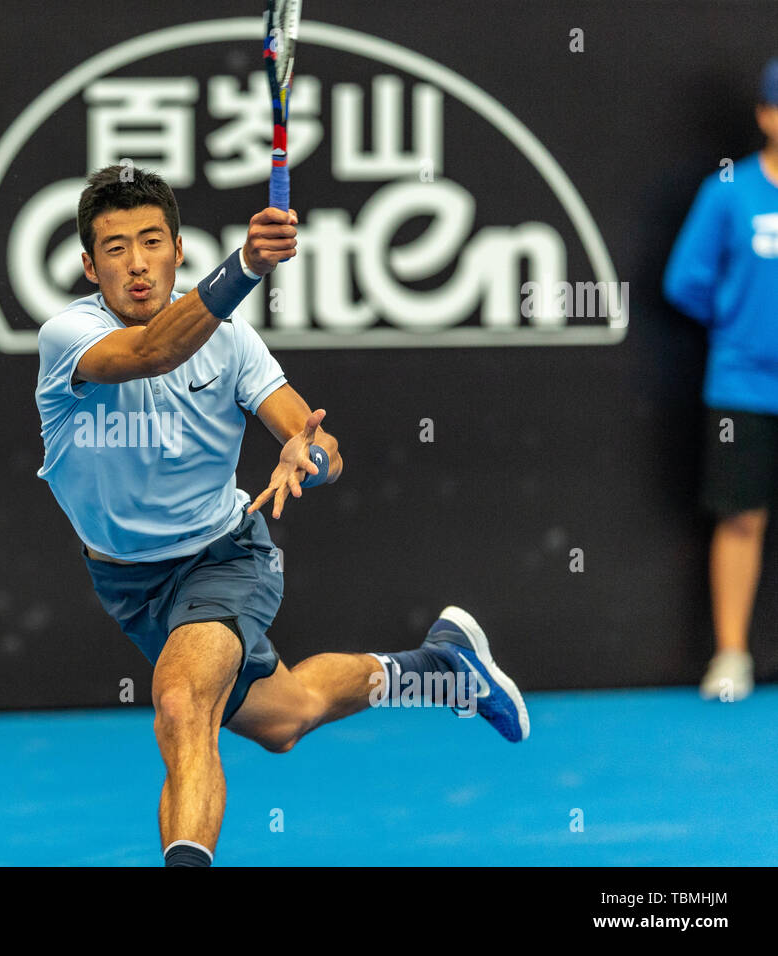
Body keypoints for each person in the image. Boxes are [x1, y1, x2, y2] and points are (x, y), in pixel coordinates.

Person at [34, 165, 529, 867]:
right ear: (89, 264)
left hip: (222, 557)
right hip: (127, 585)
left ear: (178, 250)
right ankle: (443, 668)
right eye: (115, 248)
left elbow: (320, 442)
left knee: (181, 705)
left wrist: (308, 454)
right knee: (285, 716)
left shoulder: (233, 343)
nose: (137, 264)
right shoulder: (69, 337)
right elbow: (150, 352)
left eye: (152, 242)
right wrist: (245, 265)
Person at [664, 57, 778, 702]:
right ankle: (731, 655)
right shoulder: (730, 191)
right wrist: (744, 326)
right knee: (741, 519)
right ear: (765, 114)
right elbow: (686, 282)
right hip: (743, 387)